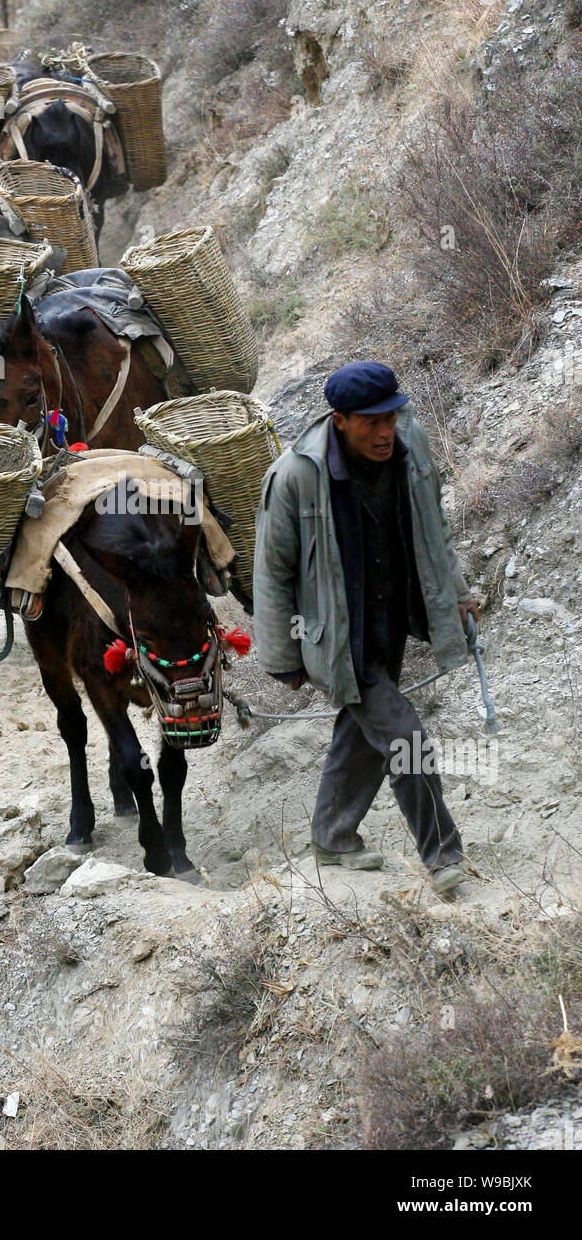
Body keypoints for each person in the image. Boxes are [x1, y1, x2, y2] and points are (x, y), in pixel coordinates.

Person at [252, 361, 480, 895]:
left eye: (391, 418)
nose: (385, 432)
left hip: (390, 618)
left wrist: (459, 591)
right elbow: (273, 570)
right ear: (339, 420)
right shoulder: (294, 476)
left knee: (363, 732)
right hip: (335, 636)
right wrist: (282, 655)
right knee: (404, 737)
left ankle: (332, 836)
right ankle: (443, 856)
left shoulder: (411, 446)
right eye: (371, 423)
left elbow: (434, 528)